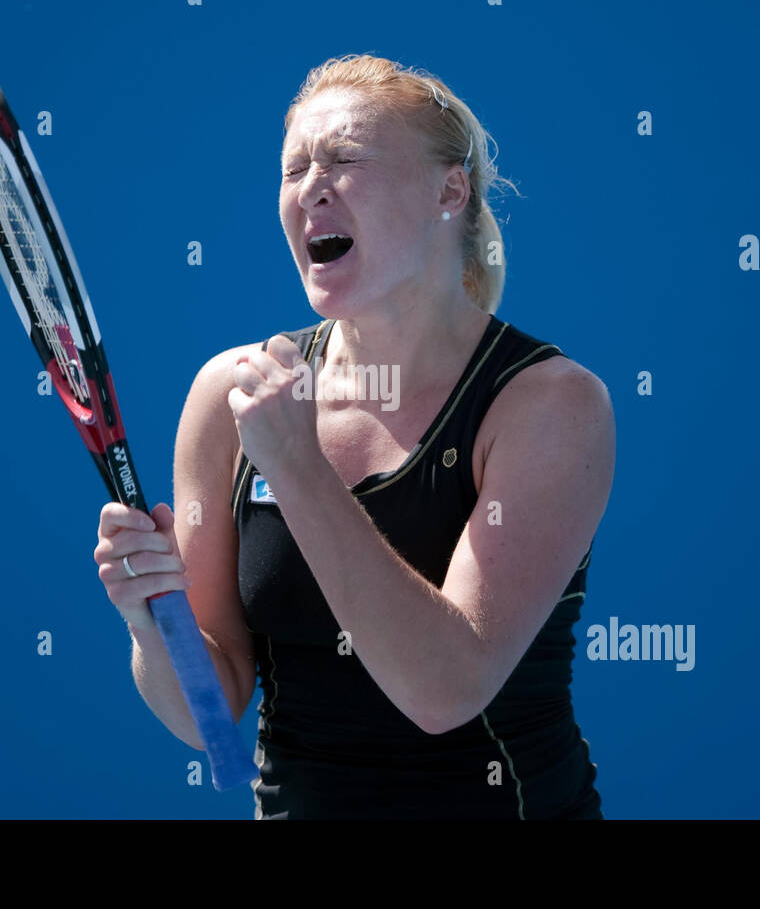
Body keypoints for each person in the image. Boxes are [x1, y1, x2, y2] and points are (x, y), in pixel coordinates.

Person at [94, 54, 615, 819]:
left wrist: (299, 467)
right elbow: (212, 710)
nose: (312, 186)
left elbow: (445, 690)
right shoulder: (227, 397)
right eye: (293, 168)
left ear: (449, 189)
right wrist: (147, 617)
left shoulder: (551, 404)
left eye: (345, 158)